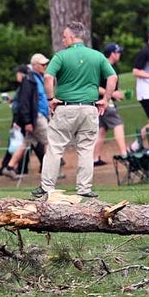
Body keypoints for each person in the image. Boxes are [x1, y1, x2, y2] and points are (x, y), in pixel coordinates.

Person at [40, 21, 116, 199]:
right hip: (89, 109)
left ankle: (47, 188)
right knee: (86, 149)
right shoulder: (97, 56)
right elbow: (112, 77)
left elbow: (48, 77)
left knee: (55, 148)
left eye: (65, 37)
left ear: (73, 37)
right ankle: (84, 188)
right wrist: (106, 100)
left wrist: (51, 99)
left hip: (65, 108)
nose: (63, 39)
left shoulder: (60, 56)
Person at [3, 53, 52, 178]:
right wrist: (28, 121)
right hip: (36, 116)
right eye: (42, 64)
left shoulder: (40, 78)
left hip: (40, 115)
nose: (45, 66)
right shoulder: (29, 80)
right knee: (49, 141)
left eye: (45, 64)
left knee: (25, 143)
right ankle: (49, 171)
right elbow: (24, 102)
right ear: (35, 65)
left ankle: (9, 167)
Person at [94, 43, 128, 165]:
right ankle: (124, 153)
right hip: (104, 102)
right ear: (112, 54)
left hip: (101, 102)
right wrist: (113, 94)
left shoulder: (109, 66)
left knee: (102, 130)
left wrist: (117, 94)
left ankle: (95, 158)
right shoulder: (104, 67)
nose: (119, 55)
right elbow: (95, 87)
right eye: (118, 52)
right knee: (118, 124)